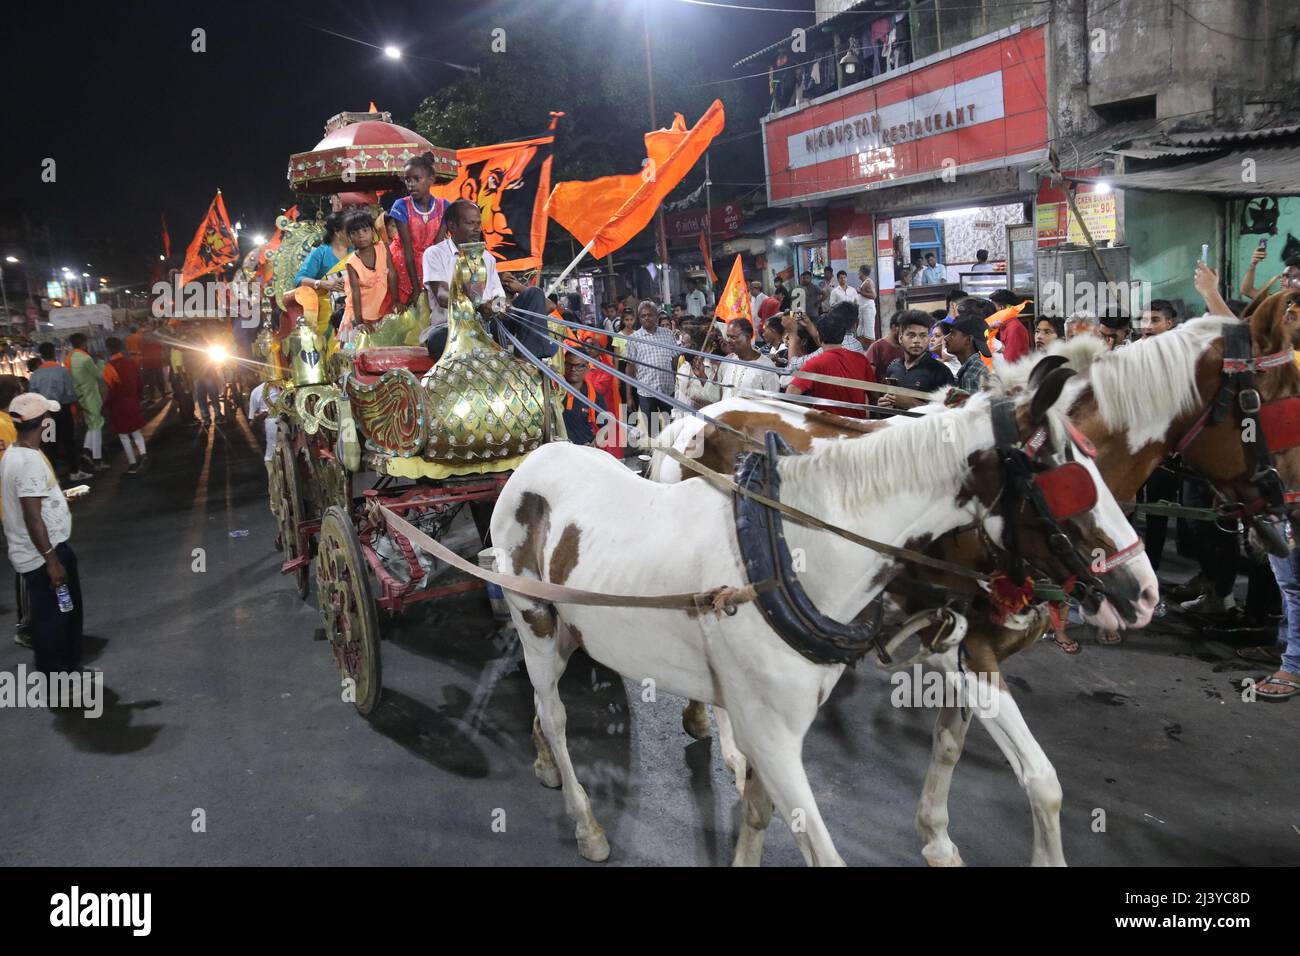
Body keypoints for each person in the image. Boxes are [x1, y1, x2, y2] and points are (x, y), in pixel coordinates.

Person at [3, 393, 81, 674]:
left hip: (43, 554)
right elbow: (32, 516)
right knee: (55, 620)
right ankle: (58, 676)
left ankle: (67, 669)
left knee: (65, 610)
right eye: (48, 418)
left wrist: (57, 499)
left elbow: (35, 504)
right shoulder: (28, 463)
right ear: (42, 423)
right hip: (45, 558)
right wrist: (52, 562)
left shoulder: (15, 454)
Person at [421, 198, 506, 359]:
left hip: (486, 325)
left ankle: (528, 367)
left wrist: (497, 307)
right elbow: (442, 296)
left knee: (533, 296)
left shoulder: (488, 258)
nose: (477, 229)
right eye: (470, 223)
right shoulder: (435, 254)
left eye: (478, 223)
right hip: (450, 327)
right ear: (452, 226)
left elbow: (499, 297)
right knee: (438, 340)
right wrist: (478, 305)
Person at [787, 303, 874, 419]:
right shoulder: (860, 357)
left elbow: (791, 393)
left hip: (826, 429)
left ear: (819, 335)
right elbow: (874, 396)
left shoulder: (815, 363)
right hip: (857, 427)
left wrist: (792, 334)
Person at [389, 152, 450, 310]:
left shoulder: (444, 206)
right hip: (405, 263)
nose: (411, 184)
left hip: (431, 261)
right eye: (408, 180)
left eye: (417, 179)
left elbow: (438, 245)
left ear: (431, 179)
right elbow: (407, 248)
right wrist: (416, 288)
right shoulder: (401, 206)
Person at [624, 299, 679, 442]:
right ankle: (654, 458)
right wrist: (629, 396)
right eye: (643, 315)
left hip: (668, 390)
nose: (647, 318)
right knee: (653, 432)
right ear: (639, 318)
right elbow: (630, 369)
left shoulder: (667, 334)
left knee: (671, 429)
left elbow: (675, 363)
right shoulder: (634, 339)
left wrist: (677, 386)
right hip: (646, 392)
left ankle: (671, 457)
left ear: (656, 316)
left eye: (650, 314)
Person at [339, 210, 397, 342]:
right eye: (355, 233)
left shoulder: (383, 247)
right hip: (360, 313)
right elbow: (355, 293)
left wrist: (396, 301)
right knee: (359, 351)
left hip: (382, 309)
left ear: (372, 231)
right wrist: (359, 322)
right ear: (349, 238)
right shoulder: (352, 263)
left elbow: (392, 274)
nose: (361, 236)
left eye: (365, 230)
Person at [879, 310, 955, 409]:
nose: (917, 341)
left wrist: (912, 404)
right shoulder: (893, 368)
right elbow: (890, 403)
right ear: (900, 338)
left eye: (923, 335)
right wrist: (883, 406)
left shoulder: (941, 372)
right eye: (911, 335)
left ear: (928, 338)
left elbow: (951, 412)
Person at [28, 342, 83, 480]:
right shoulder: (63, 371)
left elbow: (32, 396)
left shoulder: (35, 375)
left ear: (41, 356)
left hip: (45, 413)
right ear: (54, 353)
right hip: (62, 410)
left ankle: (53, 476)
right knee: (68, 441)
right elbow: (70, 393)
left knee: (50, 443)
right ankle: (74, 472)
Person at [292, 211, 351, 334]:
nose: (355, 234)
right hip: (327, 312)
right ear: (337, 231)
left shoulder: (356, 252)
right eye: (351, 229)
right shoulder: (320, 253)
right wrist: (324, 284)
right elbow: (299, 280)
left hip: (354, 308)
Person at [102, 337, 148, 475]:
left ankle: (133, 463)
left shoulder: (108, 368)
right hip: (132, 401)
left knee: (123, 436)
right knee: (136, 431)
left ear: (108, 349)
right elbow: (140, 382)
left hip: (118, 406)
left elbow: (110, 391)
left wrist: (105, 406)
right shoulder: (131, 363)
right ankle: (144, 454)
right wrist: (138, 396)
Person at [65, 333, 106, 473]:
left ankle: (86, 452)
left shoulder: (68, 358)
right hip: (91, 396)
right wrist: (100, 362)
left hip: (79, 396)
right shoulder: (86, 358)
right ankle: (97, 459)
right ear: (83, 343)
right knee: (97, 426)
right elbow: (99, 375)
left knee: (91, 426)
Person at [717, 319, 780, 398]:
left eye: (733, 337)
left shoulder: (766, 366)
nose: (728, 340)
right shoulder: (727, 361)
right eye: (728, 336)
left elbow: (772, 401)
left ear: (747, 337)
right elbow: (720, 394)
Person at [560, 350, 610, 449]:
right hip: (556, 449)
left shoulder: (593, 397)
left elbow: (607, 427)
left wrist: (594, 444)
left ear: (587, 368)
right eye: (569, 364)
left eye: (579, 366)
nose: (573, 369)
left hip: (582, 451)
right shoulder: (554, 390)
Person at [942, 307, 992, 394]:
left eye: (953, 333)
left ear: (968, 340)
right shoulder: (974, 368)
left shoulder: (970, 376)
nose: (946, 338)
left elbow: (969, 408)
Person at [247, 380, 281, 465]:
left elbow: (251, 418)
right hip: (272, 420)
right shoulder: (257, 391)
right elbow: (252, 418)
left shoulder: (256, 391)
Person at [865, 312, 907, 382]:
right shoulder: (877, 347)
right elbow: (869, 377)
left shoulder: (906, 347)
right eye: (904, 330)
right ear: (894, 327)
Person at [856, 264, 878, 340]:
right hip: (863, 310)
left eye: (859, 271)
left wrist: (860, 292)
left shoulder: (868, 282)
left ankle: (872, 351)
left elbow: (874, 296)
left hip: (868, 310)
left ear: (862, 272)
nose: (858, 273)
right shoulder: (865, 282)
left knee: (869, 333)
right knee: (862, 332)